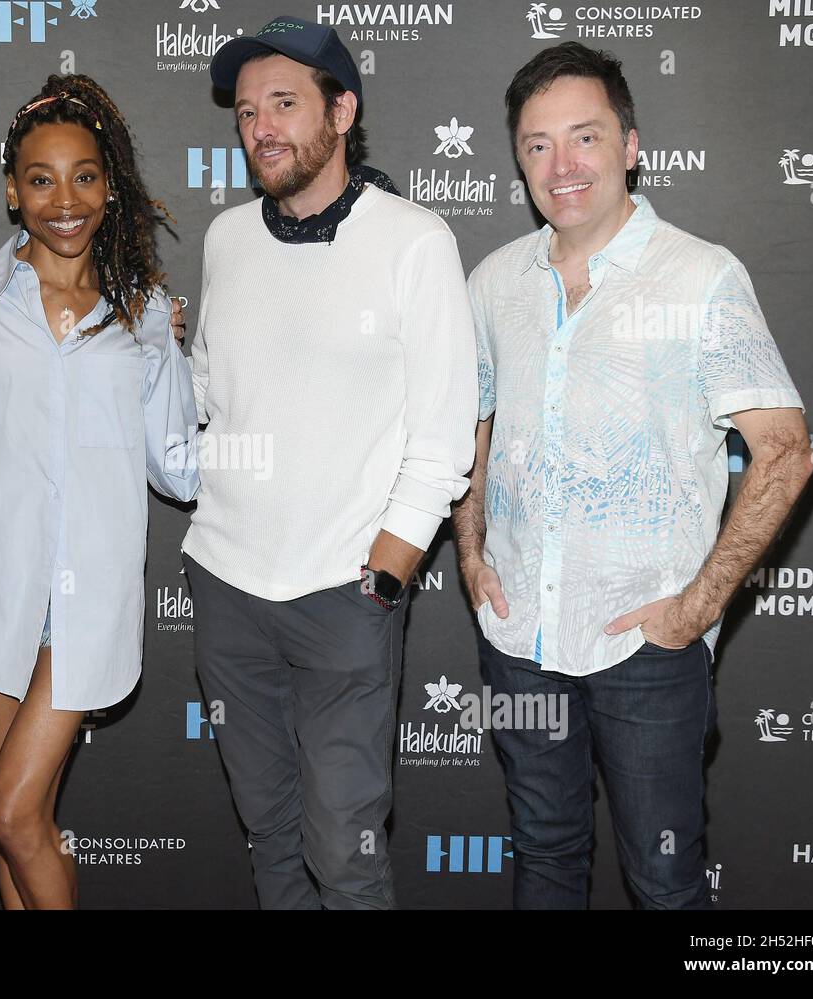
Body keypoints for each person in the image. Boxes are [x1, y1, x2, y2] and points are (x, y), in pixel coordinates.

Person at [452, 42, 813, 908]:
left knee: (663, 880)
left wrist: (696, 607)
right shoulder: (496, 282)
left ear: (631, 144)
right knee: (542, 855)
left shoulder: (700, 276)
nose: (562, 164)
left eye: (584, 137)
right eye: (537, 145)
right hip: (520, 640)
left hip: (645, 650)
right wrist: (471, 553)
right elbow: (472, 425)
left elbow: (787, 450)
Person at [184, 16, 478, 909]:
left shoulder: (414, 241)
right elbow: (209, 399)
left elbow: (444, 431)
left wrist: (386, 575)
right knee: (269, 837)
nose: (262, 127)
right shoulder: (225, 240)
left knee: (345, 855)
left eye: (284, 103)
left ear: (341, 110)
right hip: (227, 586)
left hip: (345, 595)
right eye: (245, 113)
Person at [0, 74, 199, 910]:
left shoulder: (145, 311)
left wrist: (207, 369)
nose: (64, 200)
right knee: (24, 820)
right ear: (13, 191)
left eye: (84, 175)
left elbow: (179, 466)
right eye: (41, 179)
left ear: (110, 187)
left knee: (9, 810)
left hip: (91, 598)